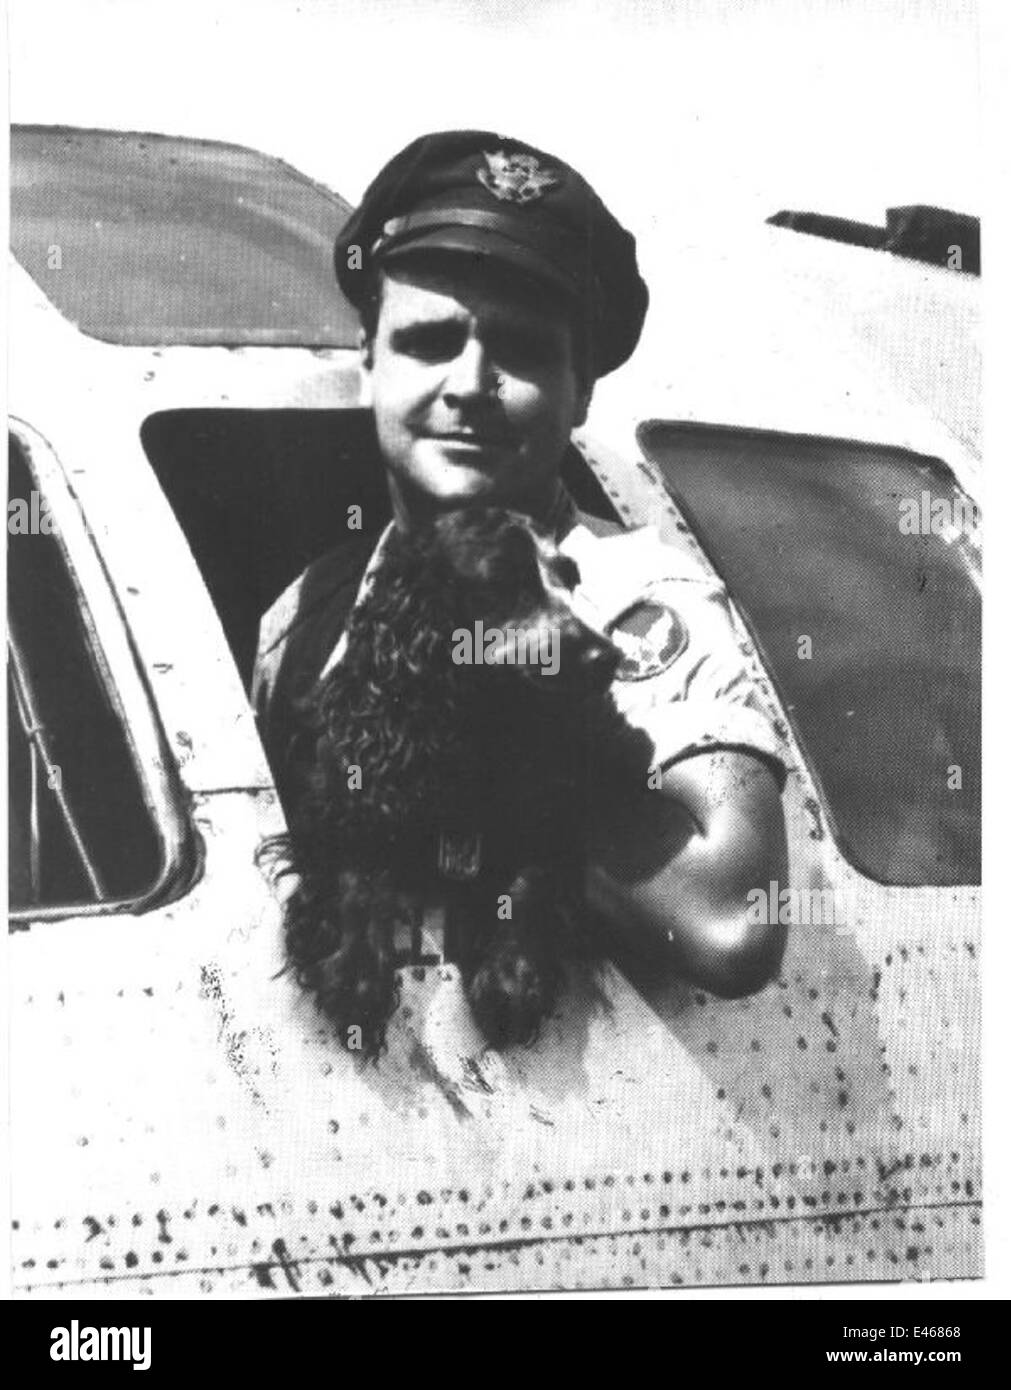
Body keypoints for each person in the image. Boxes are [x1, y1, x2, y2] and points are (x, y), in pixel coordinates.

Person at [252, 129, 788, 999]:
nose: (470, 381)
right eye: (427, 341)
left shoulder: (633, 604)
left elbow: (733, 926)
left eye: (521, 350)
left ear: (579, 392)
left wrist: (489, 699)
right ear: (367, 366)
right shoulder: (300, 621)